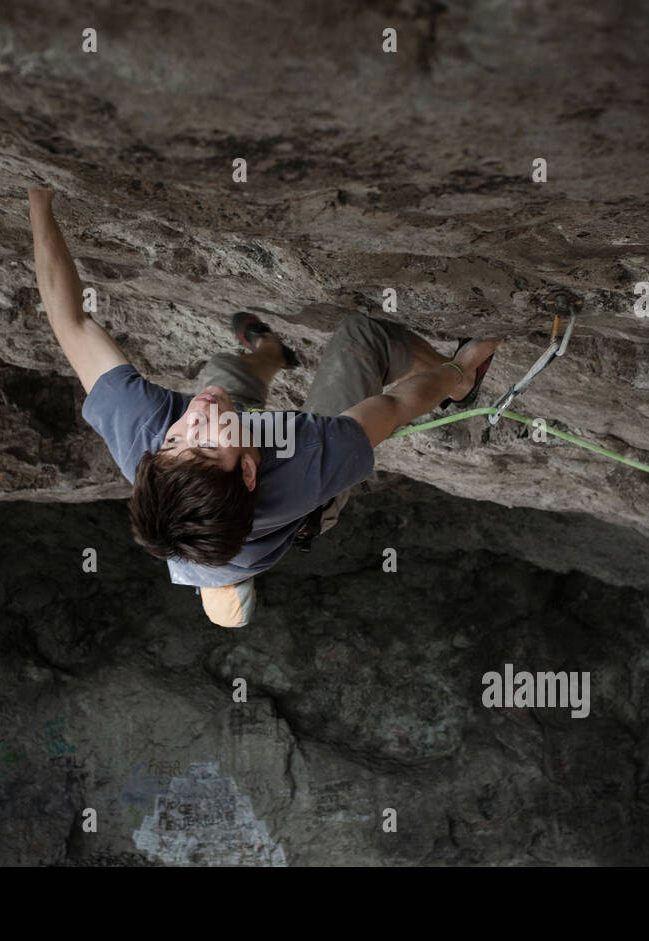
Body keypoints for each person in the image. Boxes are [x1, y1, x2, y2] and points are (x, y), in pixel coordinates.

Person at [29, 189, 501, 626]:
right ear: (251, 472)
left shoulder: (145, 433)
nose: (195, 418)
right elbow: (397, 404)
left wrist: (38, 200)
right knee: (364, 336)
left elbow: (70, 322)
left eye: (176, 438)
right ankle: (222, 591)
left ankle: (272, 356)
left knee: (222, 378)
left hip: (216, 497)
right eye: (207, 444)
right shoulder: (307, 465)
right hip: (281, 515)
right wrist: (458, 372)